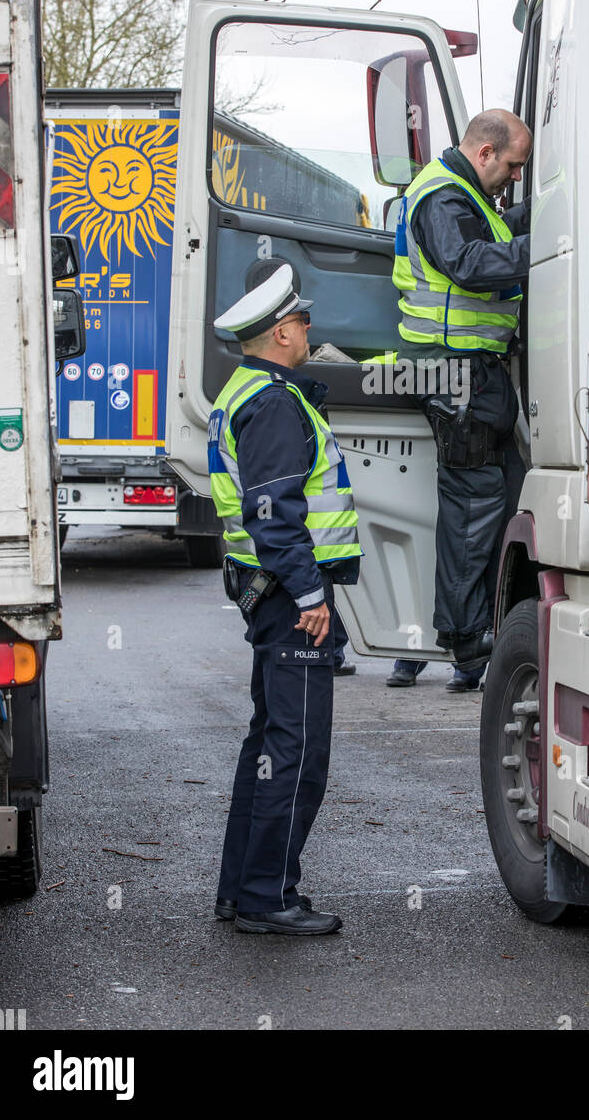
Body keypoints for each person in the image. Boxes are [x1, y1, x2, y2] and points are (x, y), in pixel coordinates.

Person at [207, 263, 361, 936]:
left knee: (268, 743)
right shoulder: (272, 402)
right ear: (280, 333)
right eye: (300, 320)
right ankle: (268, 897)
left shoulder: (247, 390)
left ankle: (242, 890)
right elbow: (273, 512)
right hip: (288, 595)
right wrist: (309, 592)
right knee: (297, 751)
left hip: (263, 590)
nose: (307, 327)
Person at [391, 109, 531, 682]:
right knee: (474, 506)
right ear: (485, 153)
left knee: (499, 495)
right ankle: (467, 641)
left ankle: (480, 631)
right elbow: (467, 263)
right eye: (514, 166)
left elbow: (490, 237)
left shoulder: (461, 194)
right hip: (454, 371)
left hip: (470, 372)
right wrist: (553, 249)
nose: (514, 178)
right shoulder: (444, 199)